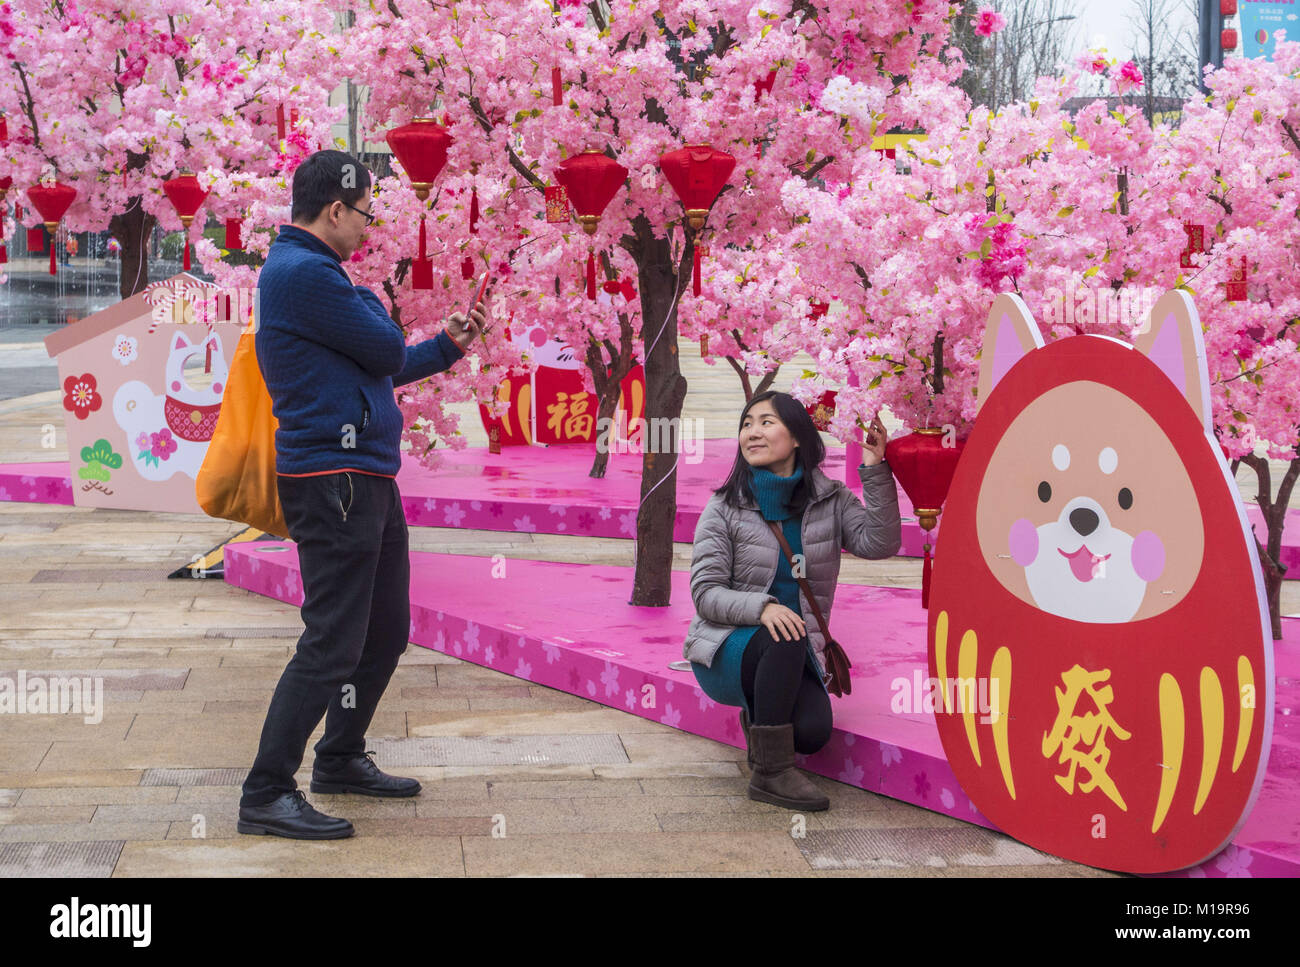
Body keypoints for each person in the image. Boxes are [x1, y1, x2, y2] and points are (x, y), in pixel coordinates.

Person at [237, 150, 489, 840]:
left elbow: (380, 363)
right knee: (332, 641)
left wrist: (444, 346)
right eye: (366, 212)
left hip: (363, 477)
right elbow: (380, 346)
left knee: (383, 631)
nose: (370, 227)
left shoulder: (320, 278)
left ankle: (341, 754)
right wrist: (379, 314)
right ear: (336, 208)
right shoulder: (306, 274)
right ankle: (265, 789)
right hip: (333, 479)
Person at [683, 390, 901, 811]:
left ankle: (761, 721)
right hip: (727, 650)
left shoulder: (832, 499)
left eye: (766, 422)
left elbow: (879, 543)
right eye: (747, 423)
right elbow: (705, 594)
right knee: (781, 635)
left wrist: (875, 471)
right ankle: (770, 773)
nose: (752, 432)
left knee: (813, 733)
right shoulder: (724, 506)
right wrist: (762, 608)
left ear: (798, 435)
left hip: (795, 649)